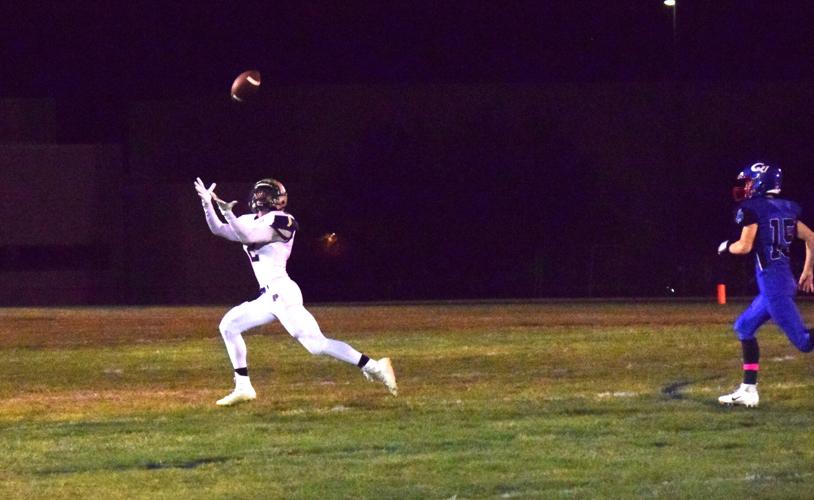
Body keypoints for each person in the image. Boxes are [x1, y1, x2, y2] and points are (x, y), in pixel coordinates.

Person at [194, 177, 398, 405]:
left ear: (278, 200)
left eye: (265, 194)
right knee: (229, 326)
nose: (260, 198)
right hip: (267, 296)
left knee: (317, 345)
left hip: (282, 293)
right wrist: (207, 204)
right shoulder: (248, 219)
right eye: (259, 193)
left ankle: (375, 367)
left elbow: (248, 236)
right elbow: (219, 230)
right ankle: (243, 387)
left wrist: (228, 214)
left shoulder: (284, 220)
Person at [717, 162, 814, 407]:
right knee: (743, 327)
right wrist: (808, 270)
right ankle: (749, 390)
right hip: (781, 281)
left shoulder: (753, 209)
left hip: (773, 285)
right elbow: (811, 237)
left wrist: (725, 247)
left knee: (804, 342)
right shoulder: (786, 209)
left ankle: (749, 390)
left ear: (761, 182)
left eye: (749, 182)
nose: (747, 187)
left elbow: (745, 246)